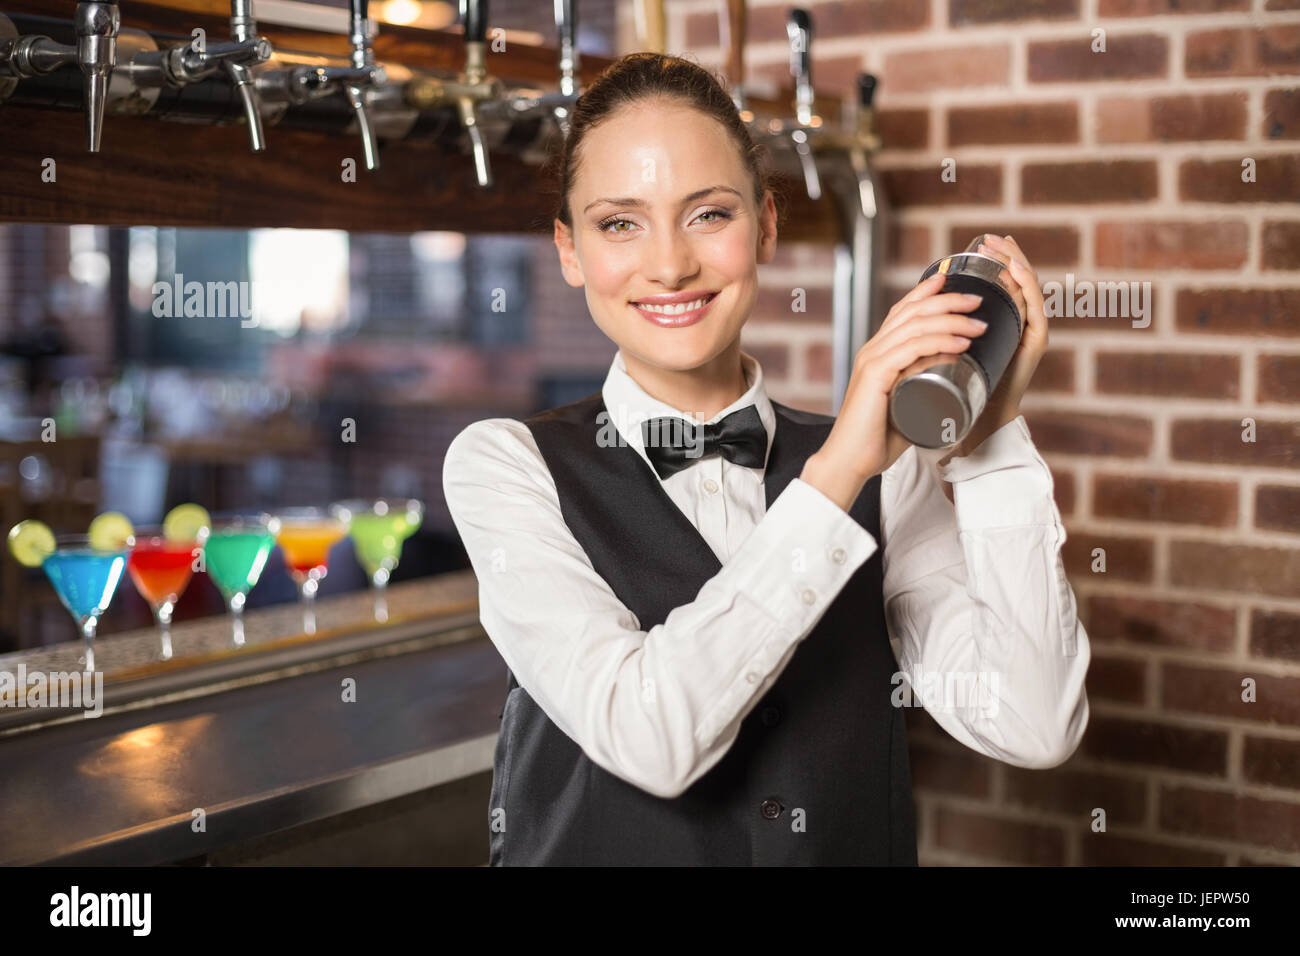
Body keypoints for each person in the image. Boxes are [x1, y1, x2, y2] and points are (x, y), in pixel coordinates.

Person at [442, 53, 1090, 866]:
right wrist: (837, 475)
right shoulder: (505, 465)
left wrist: (988, 439)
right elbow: (651, 737)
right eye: (619, 223)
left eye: (709, 214)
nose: (670, 263)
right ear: (571, 252)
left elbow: (1031, 723)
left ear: (768, 227)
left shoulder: (885, 469)